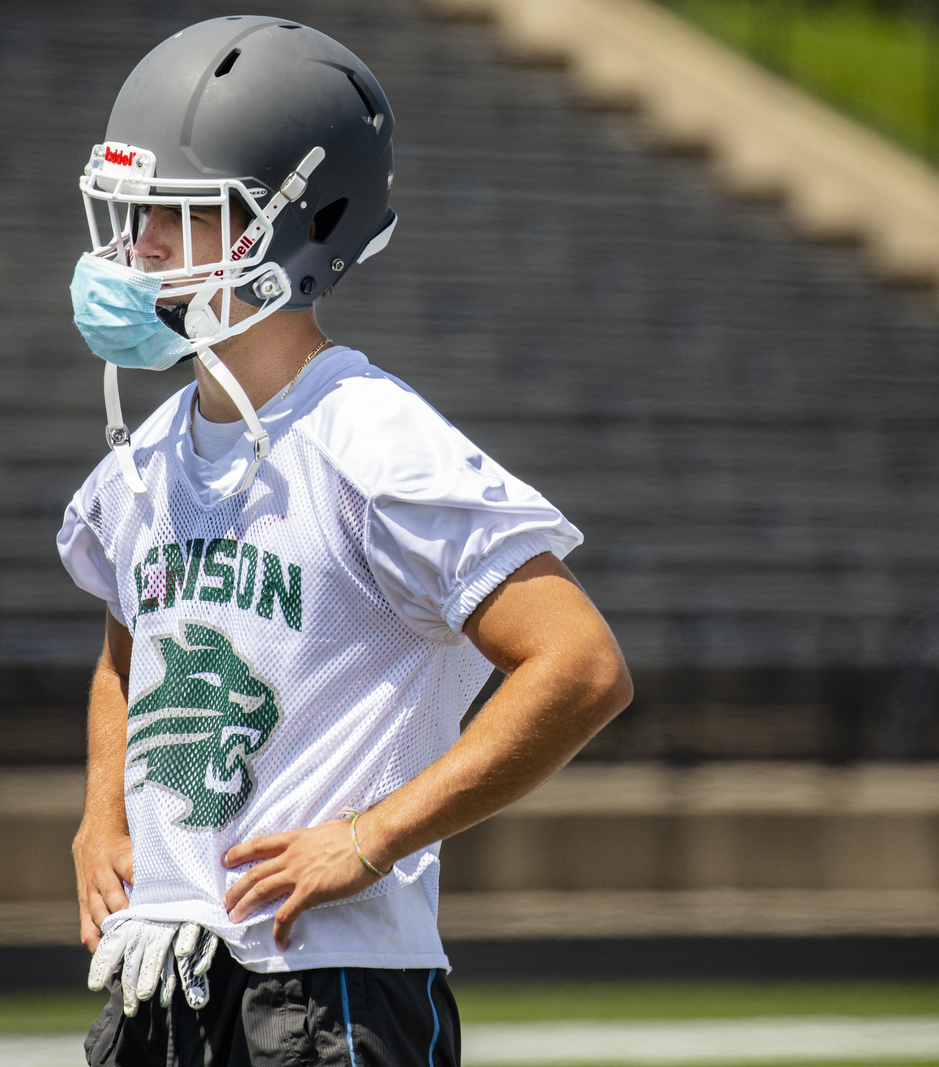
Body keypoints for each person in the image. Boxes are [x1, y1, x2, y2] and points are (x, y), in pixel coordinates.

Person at [56, 17, 632, 1066]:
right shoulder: (144, 458)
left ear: (293, 228)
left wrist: (373, 836)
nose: (134, 250)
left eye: (174, 218)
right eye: (131, 214)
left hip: (325, 993)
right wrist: (103, 815)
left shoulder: (369, 439)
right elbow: (125, 643)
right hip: (161, 972)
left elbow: (580, 664)